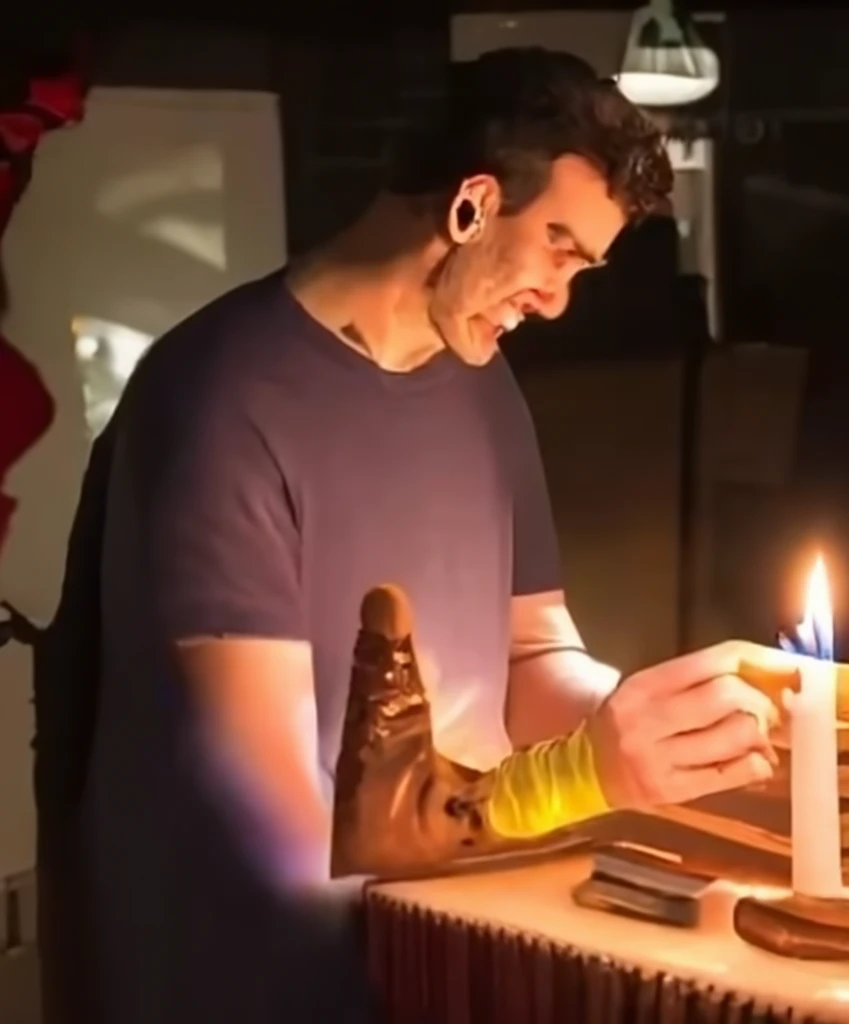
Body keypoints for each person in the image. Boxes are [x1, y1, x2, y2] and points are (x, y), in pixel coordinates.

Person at [38, 48, 793, 1024]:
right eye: (558, 248)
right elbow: (281, 826)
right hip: (254, 981)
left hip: (437, 954)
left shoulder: (481, 383)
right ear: (472, 204)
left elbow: (530, 655)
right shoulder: (220, 403)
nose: (559, 300)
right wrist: (580, 776)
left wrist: (654, 720)